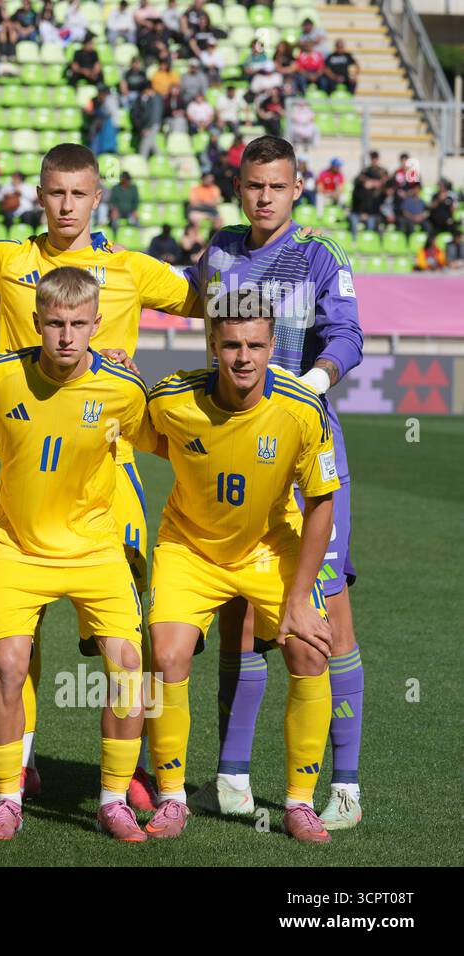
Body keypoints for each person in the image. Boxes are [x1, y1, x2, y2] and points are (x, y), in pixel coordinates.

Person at [0, 143, 199, 809]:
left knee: (130, 639)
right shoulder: (7, 260)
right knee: (21, 638)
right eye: (54, 192)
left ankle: (137, 768)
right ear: (40, 192)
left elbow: (213, 299)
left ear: (96, 198)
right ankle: (21, 763)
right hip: (30, 466)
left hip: (111, 473)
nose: (65, 205)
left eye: (77, 194)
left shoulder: (131, 270)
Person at [182, 135, 366, 832]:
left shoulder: (321, 255)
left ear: (295, 190)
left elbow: (346, 334)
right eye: (253, 185)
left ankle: (343, 785)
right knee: (240, 610)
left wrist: (306, 389)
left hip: (305, 451)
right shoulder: (220, 252)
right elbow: (188, 305)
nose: (264, 197)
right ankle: (230, 777)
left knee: (327, 613)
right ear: (240, 189)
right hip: (234, 454)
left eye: (276, 186)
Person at [0, 267, 150, 842]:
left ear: (96, 325)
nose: (65, 335)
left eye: (78, 324)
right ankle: (8, 796)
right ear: (35, 322)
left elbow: (163, 437)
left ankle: (113, 799)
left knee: (128, 668)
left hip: (96, 548)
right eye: (55, 323)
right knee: (10, 666)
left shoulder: (123, 390)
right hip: (16, 547)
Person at [138, 308, 340, 844]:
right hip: (189, 548)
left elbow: (322, 502)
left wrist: (299, 599)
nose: (242, 357)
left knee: (310, 649)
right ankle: (172, 797)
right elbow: (141, 430)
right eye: (230, 345)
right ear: (212, 344)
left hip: (271, 548)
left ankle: (299, 804)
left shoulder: (301, 409)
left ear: (272, 346)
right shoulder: (170, 398)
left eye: (254, 345)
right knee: (167, 655)